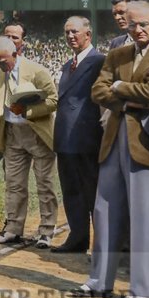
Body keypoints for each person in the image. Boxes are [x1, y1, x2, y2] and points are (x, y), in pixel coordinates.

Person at [75, 1, 149, 298]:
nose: (137, 30)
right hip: (114, 139)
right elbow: (98, 91)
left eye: (144, 24)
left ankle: (146, 289)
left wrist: (119, 87)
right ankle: (99, 281)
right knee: (104, 211)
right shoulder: (117, 53)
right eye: (132, 24)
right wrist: (127, 96)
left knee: (146, 215)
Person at [0, 36, 59, 247]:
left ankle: (47, 230)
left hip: (37, 133)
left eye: (3, 61)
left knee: (45, 183)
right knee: (14, 184)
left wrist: (28, 111)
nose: (0, 65)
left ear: (15, 53)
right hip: (13, 133)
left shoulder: (37, 71)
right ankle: (13, 228)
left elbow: (54, 100)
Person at [52, 16, 104, 253]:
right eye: (66, 33)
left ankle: (102, 244)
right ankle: (78, 237)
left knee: (93, 194)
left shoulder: (99, 61)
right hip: (65, 138)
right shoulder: (67, 65)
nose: (70, 36)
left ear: (88, 34)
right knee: (71, 191)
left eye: (74, 32)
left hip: (87, 139)